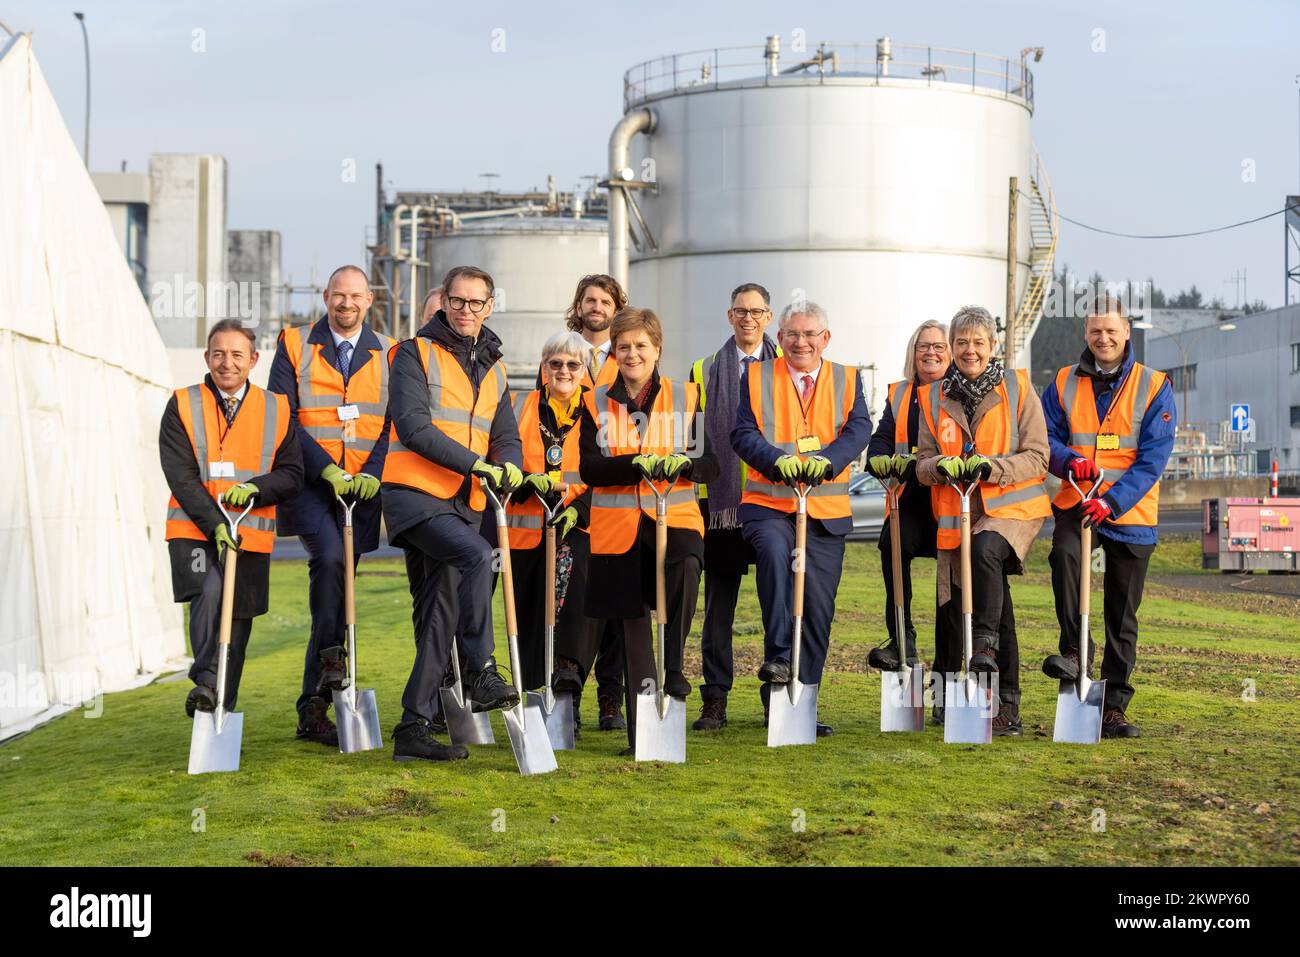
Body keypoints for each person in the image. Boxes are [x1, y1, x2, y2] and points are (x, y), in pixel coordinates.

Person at [381, 265, 524, 762]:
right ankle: (481, 667)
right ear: (443, 303)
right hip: (414, 496)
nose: (466, 311)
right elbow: (413, 426)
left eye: (476, 303)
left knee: (440, 614)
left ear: (490, 306)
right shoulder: (412, 354)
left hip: (463, 503)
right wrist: (477, 464)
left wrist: (507, 467)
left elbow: (506, 435)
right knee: (479, 557)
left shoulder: (496, 367)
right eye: (457, 302)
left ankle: (412, 728)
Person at [578, 307, 718, 754]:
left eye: (641, 346)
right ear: (614, 353)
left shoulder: (685, 396)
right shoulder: (595, 402)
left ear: (657, 349)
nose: (632, 354)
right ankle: (646, 736)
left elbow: (711, 466)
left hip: (672, 519)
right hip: (618, 527)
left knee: (688, 565)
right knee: (635, 624)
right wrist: (635, 464)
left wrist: (683, 464)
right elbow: (591, 468)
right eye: (623, 347)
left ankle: (673, 665)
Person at [268, 265, 394, 747]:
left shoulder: (387, 351)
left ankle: (313, 704)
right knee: (331, 559)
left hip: (361, 490)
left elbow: (393, 423)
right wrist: (328, 470)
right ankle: (330, 658)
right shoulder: (295, 343)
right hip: (310, 483)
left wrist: (370, 473)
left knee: (340, 582)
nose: (346, 304)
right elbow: (284, 415)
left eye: (355, 296)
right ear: (325, 297)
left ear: (369, 300)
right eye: (338, 295)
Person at [732, 300, 872, 736]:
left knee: (817, 608)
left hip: (825, 511)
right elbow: (741, 433)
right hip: (769, 505)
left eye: (810, 334)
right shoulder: (756, 376)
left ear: (824, 339)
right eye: (792, 334)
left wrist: (828, 461)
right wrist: (777, 461)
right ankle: (778, 663)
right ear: (781, 336)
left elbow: (860, 429)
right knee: (775, 556)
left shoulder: (848, 378)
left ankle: (802, 699)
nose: (800, 342)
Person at [1039, 295, 1176, 738]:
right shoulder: (1062, 382)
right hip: (1076, 500)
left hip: (1129, 512)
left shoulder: (1154, 386)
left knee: (1122, 612)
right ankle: (1076, 651)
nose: (1103, 338)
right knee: (1064, 556)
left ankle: (1113, 706)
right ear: (1085, 333)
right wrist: (1065, 462)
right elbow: (1045, 437)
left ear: (1126, 333)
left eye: (1111, 331)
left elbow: (1154, 457)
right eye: (1095, 331)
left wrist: (1112, 502)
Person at [915, 305, 1050, 736]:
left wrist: (995, 468)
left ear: (994, 346)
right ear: (952, 348)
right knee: (999, 601)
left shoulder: (1019, 389)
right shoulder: (935, 396)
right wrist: (943, 466)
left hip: (1012, 508)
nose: (969, 350)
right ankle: (1006, 704)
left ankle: (984, 644)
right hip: (960, 510)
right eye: (961, 343)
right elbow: (920, 462)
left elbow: (1039, 455)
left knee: (986, 551)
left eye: (978, 342)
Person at [161, 319, 303, 720]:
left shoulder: (276, 408)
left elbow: (293, 474)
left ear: (253, 360)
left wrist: (256, 489)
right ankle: (206, 680)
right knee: (208, 591)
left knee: (237, 623)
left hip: (250, 534)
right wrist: (215, 524)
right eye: (219, 354)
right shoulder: (182, 403)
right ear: (207, 357)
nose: (227, 363)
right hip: (194, 530)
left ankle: (220, 708)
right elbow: (180, 475)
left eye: (237, 355)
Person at [687, 282, 780, 731]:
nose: (748, 318)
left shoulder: (786, 367)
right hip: (720, 506)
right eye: (740, 311)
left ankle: (776, 699)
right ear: (729, 316)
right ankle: (715, 698)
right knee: (718, 609)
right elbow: (693, 440)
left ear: (768, 317)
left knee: (775, 604)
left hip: (773, 503)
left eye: (756, 311)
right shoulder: (703, 369)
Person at [504, 332, 600, 730]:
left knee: (577, 591)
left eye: (573, 364)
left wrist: (578, 507)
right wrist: (529, 481)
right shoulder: (518, 406)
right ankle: (532, 694)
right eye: (555, 363)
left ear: (584, 371)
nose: (563, 371)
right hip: (527, 523)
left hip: (579, 520)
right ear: (543, 367)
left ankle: (568, 682)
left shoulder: (599, 412)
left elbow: (609, 469)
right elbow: (503, 455)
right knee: (529, 611)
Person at [864, 320, 952, 723]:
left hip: (949, 498)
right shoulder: (901, 394)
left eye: (938, 346)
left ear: (950, 353)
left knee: (949, 588)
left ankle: (947, 681)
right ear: (912, 352)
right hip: (910, 500)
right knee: (890, 547)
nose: (930, 353)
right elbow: (881, 439)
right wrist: (880, 458)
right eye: (923, 346)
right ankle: (902, 639)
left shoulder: (959, 389)